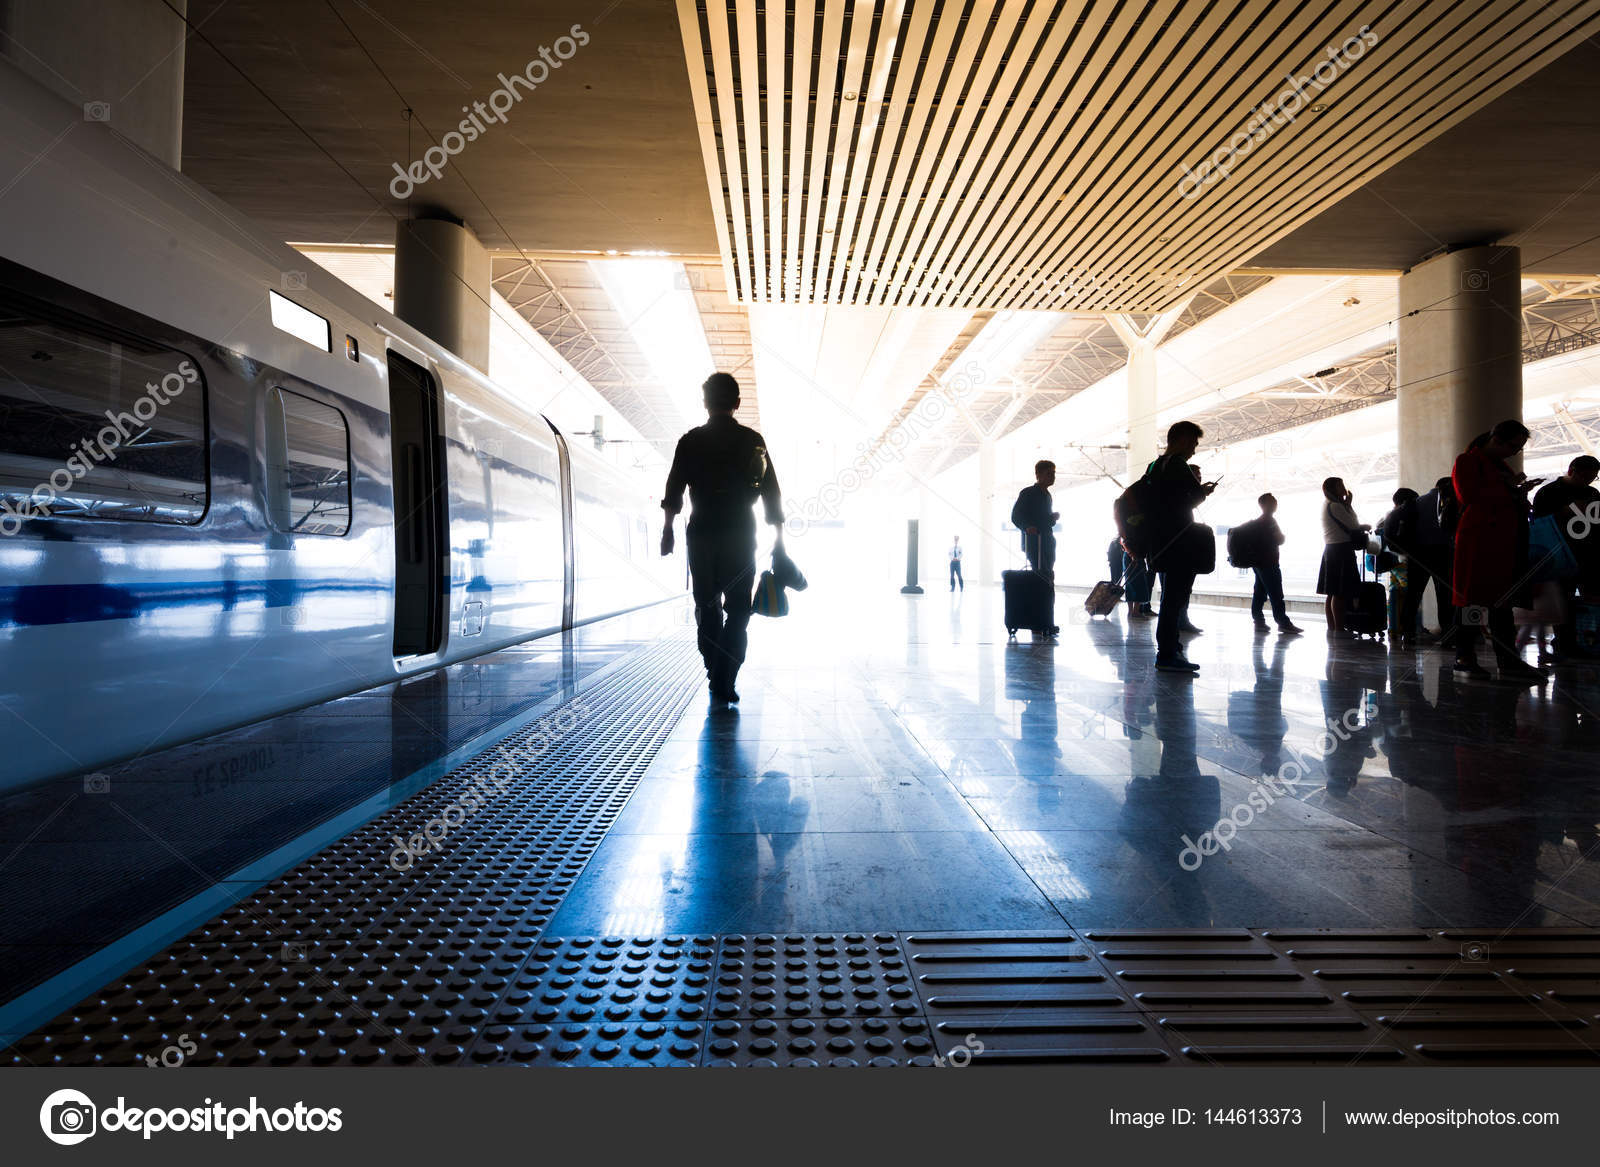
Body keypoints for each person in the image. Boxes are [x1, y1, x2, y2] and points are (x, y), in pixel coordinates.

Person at [660, 372, 784, 706]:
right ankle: (725, 674)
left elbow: (674, 487)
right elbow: (771, 492)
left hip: (701, 534)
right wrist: (779, 538)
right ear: (737, 403)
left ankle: (715, 668)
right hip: (741, 533)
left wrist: (668, 528)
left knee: (706, 605)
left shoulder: (690, 441)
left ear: (705, 402)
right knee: (740, 609)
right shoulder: (752, 441)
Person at [1451, 418, 1542, 683]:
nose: (1516, 452)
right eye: (1514, 446)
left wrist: (1519, 491)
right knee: (1472, 601)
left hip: (1501, 543)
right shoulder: (1467, 461)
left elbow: (1501, 499)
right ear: (1497, 439)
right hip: (1477, 542)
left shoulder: (1500, 465)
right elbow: (1468, 496)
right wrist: (1509, 487)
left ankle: (1508, 660)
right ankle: (1464, 658)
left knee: (1501, 604)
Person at [1145, 420, 1214, 673]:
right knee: (1175, 598)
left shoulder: (1155, 465)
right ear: (1183, 439)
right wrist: (1203, 492)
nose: (1194, 449)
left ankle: (1170, 648)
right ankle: (1167, 653)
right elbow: (1191, 499)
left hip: (1161, 541)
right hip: (1180, 542)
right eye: (1194, 443)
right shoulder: (1178, 465)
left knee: (1169, 597)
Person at [1532, 455, 1599, 654]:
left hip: (1585, 554)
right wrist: (1567, 512)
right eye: (1585, 476)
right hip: (1559, 553)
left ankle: (1580, 639)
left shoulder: (1593, 493)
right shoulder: (1548, 493)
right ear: (1572, 471)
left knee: (1583, 598)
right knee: (1562, 599)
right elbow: (1539, 522)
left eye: (1592, 477)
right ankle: (1564, 641)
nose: (1588, 481)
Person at [1401, 476, 1458, 642]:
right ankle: (1447, 633)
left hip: (1417, 554)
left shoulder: (1417, 502)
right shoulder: (1451, 501)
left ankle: (1407, 632)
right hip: (1442, 553)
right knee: (1445, 595)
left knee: (1413, 593)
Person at [1237, 493, 1302, 634]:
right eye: (1272, 502)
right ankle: (1283, 622)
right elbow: (1280, 540)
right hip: (1269, 562)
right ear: (1264, 505)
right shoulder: (1270, 521)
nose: (1275, 504)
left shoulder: (1258, 522)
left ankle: (1259, 622)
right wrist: (1282, 537)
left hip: (1258, 562)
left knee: (1259, 592)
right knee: (1276, 593)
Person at [1317, 477, 1368, 635]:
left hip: (1331, 549)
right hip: (1341, 550)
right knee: (1340, 592)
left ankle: (1332, 628)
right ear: (1333, 489)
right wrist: (1349, 506)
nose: (1344, 488)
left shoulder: (1328, 504)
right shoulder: (1336, 506)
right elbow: (1353, 525)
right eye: (1340, 486)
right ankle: (1339, 629)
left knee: (1332, 591)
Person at [1378, 487, 1420, 647]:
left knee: (1395, 594)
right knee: (1412, 594)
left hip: (1392, 562)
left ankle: (1394, 630)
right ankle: (1413, 629)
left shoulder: (1388, 516)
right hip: (1403, 561)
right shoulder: (1404, 515)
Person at [1011, 460, 1058, 576]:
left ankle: (1046, 593)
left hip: (1047, 541)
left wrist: (1052, 518)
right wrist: (1026, 527)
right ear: (1038, 475)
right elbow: (1016, 516)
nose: (1053, 477)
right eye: (1049, 473)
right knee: (1041, 573)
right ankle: (1041, 593)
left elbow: (1044, 520)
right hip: (1034, 541)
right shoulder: (1028, 493)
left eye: (1053, 473)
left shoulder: (1047, 495)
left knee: (1048, 573)